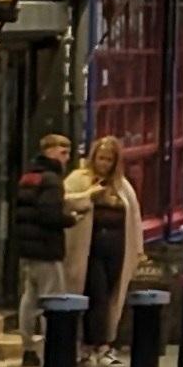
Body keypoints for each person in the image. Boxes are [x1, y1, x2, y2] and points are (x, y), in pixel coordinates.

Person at [5, 129, 83, 363]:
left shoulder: (29, 176)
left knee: (29, 298)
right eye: (63, 152)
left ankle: (28, 346)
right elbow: (49, 215)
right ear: (49, 152)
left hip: (28, 247)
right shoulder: (51, 179)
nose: (66, 158)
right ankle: (55, 349)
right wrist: (71, 219)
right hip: (46, 246)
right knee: (53, 299)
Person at [75, 133, 143, 352]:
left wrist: (138, 250)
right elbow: (69, 202)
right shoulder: (80, 179)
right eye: (100, 158)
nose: (103, 164)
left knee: (111, 294)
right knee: (98, 293)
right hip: (90, 249)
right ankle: (96, 342)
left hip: (116, 250)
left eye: (108, 160)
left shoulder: (123, 187)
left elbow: (134, 218)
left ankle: (102, 340)